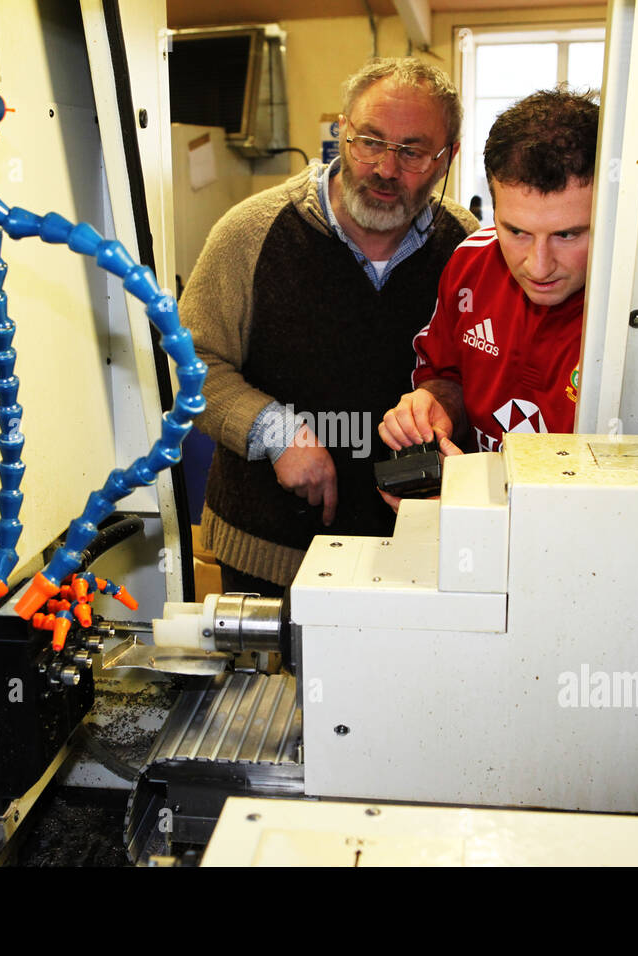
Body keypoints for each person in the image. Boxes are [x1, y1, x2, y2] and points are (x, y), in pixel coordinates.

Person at [181, 58, 479, 595]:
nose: (386, 169)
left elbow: (480, 372)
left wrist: (444, 399)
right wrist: (276, 434)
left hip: (417, 553)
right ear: (342, 132)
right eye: (369, 140)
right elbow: (190, 362)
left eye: (412, 151)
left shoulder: (469, 245)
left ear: (447, 157)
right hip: (269, 554)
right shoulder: (251, 232)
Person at [380, 89, 638, 460]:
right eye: (516, 231)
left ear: (614, 214)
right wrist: (437, 407)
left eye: (567, 234)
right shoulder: (472, 263)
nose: (538, 265)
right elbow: (448, 374)